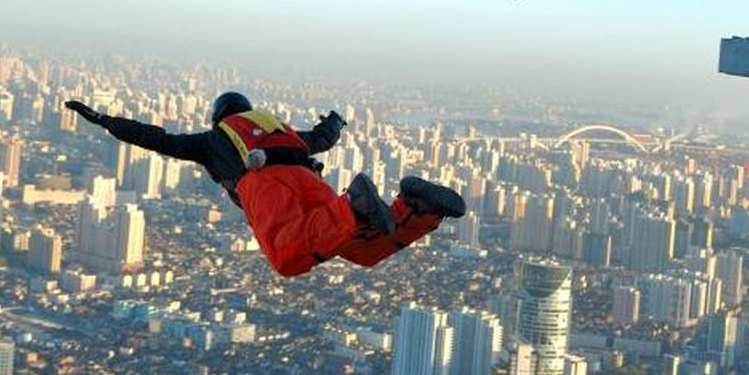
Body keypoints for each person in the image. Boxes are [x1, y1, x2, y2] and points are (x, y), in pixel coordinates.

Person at [64, 92, 465, 277]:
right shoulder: (278, 129)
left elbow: (158, 139)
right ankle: (418, 209)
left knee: (287, 256)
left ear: (219, 116)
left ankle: (354, 206)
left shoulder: (213, 139)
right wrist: (336, 122)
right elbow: (322, 139)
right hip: (309, 180)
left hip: (263, 183)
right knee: (357, 248)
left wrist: (105, 121)